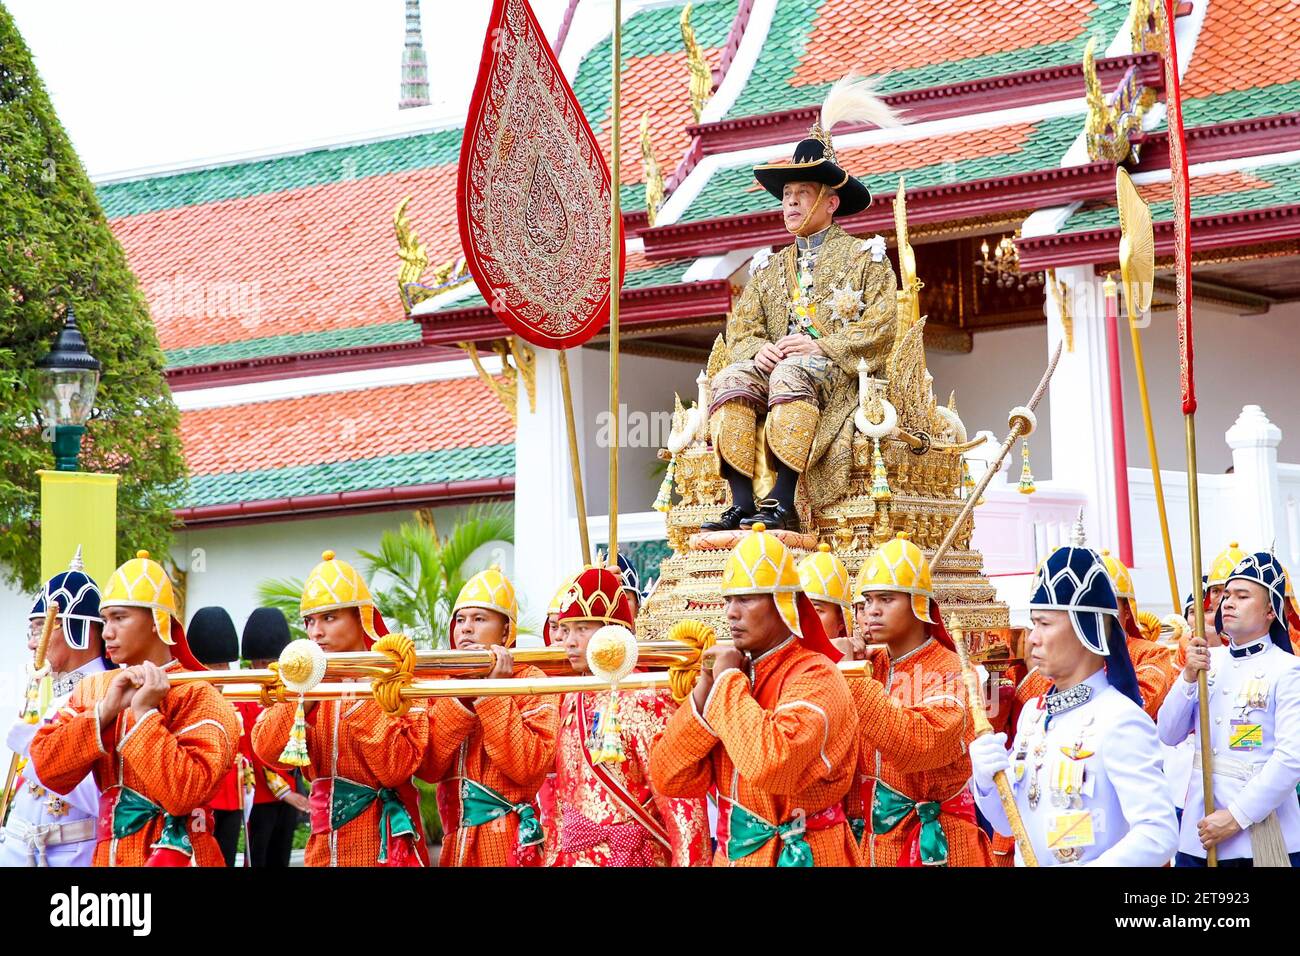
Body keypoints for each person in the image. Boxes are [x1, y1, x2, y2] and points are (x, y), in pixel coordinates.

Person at [700, 80, 900, 532]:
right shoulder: (768, 269)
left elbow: (883, 327)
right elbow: (743, 329)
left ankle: (784, 503)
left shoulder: (863, 257)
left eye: (801, 195)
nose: (789, 203)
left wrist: (821, 348)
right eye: (786, 196)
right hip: (780, 370)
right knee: (731, 375)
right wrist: (757, 351)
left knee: (792, 371)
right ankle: (741, 503)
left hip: (840, 376)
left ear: (831, 203)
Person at [651, 524, 860, 866]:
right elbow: (669, 776)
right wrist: (706, 686)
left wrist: (728, 679)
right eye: (729, 600)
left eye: (746, 598)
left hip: (812, 854)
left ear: (784, 603)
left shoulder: (818, 674)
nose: (731, 612)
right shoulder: (732, 678)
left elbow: (772, 765)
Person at [969, 545, 1178, 865]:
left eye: (1044, 623)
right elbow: (1008, 824)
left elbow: (1158, 832)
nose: (1033, 638)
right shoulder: (1033, 716)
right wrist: (984, 779)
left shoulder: (1120, 719)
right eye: (1033, 624)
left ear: (1086, 629)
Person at [29, 550, 239, 866]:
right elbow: (48, 768)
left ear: (157, 620)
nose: (107, 632)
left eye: (119, 617)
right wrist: (104, 711)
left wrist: (144, 715)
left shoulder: (201, 695)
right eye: (104, 620)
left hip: (185, 857)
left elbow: (185, 794)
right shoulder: (96, 688)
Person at [252, 550, 429, 866]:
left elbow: (397, 769)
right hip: (323, 846)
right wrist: (299, 700)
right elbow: (267, 752)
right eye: (310, 621)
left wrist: (357, 692)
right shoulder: (305, 678)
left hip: (383, 845)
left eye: (329, 618)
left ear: (360, 617)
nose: (315, 632)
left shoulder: (398, 676)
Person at [546, 566, 708, 866]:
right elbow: (563, 800)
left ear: (613, 631)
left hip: (634, 855)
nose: (569, 641)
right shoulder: (572, 695)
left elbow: (681, 803)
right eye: (566, 629)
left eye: (582, 629)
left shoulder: (646, 697)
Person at [845, 533, 991, 866]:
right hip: (875, 844)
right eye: (866, 601)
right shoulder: (872, 667)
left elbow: (920, 744)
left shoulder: (954, 671)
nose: (872, 611)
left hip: (940, 842)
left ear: (918, 603)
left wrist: (851, 676)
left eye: (885, 599)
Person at [1157, 550, 1300, 867]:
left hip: (1259, 832)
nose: (1228, 603)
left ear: (1270, 612)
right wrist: (1188, 678)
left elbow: (1291, 758)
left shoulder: (1288, 670)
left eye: (1243, 595)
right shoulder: (1207, 662)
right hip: (1199, 830)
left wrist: (1236, 817)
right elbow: (1167, 732)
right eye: (1227, 595)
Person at [420, 567, 558, 866]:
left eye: (479, 619)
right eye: (460, 620)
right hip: (454, 843)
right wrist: (464, 695)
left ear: (506, 631)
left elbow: (528, 767)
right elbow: (428, 768)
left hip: (510, 841)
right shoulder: (442, 682)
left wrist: (494, 693)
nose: (465, 629)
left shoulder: (532, 678)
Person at [2, 550, 108, 867]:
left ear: (78, 629)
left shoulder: (106, 693)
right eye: (33, 631)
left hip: (66, 857)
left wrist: (35, 749)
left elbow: (103, 797)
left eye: (41, 628)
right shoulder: (61, 692)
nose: (33, 643)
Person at [239, 608, 304, 867]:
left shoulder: (290, 695)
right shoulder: (243, 695)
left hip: (288, 790)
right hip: (260, 795)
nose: (265, 667)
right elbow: (251, 749)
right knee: (259, 858)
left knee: (281, 858)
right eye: (260, 661)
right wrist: (285, 792)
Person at [185, 606, 248, 866]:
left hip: (232, 793)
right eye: (216, 665)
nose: (222, 672)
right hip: (202, 795)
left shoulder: (233, 702)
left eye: (224, 664)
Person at [1097, 549, 1176, 717]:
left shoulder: (1152, 653)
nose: (1096, 616)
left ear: (1127, 610)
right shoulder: (1068, 655)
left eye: (1108, 606)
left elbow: (1139, 707)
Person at [796, 543, 856, 655]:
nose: (804, 618)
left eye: (817, 610)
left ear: (841, 620)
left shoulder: (860, 660)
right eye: (799, 609)